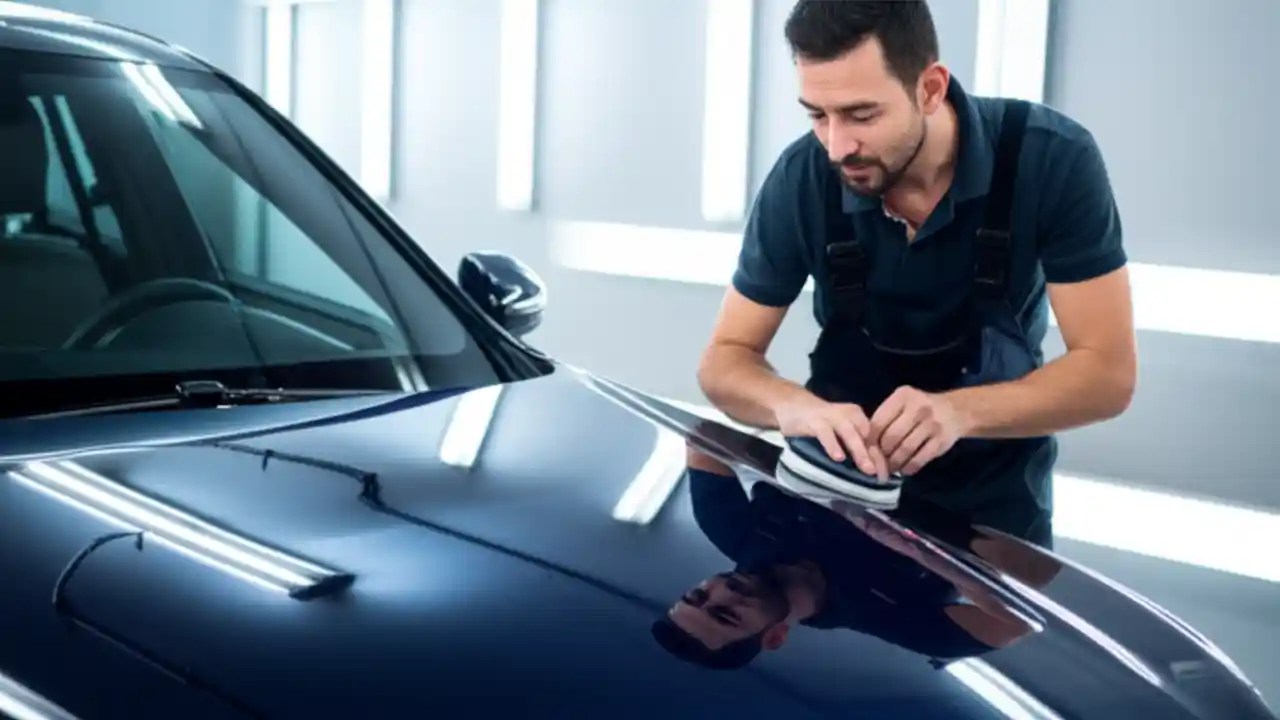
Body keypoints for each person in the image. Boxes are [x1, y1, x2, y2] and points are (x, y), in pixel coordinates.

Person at [697, 0, 1137, 521]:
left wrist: (958, 411)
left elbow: (1108, 374)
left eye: (862, 115)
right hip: (837, 503)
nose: (838, 147)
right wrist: (789, 405)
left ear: (929, 89)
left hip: (992, 520)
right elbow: (724, 360)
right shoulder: (802, 176)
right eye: (817, 115)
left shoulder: (1052, 158)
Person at [651, 448, 1043, 670]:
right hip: (990, 458)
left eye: (698, 595)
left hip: (870, 386)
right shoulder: (886, 616)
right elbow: (1015, 622)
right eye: (726, 615)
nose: (721, 593)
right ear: (774, 636)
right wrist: (922, 551)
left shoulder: (727, 528)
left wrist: (797, 471)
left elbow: (704, 439)